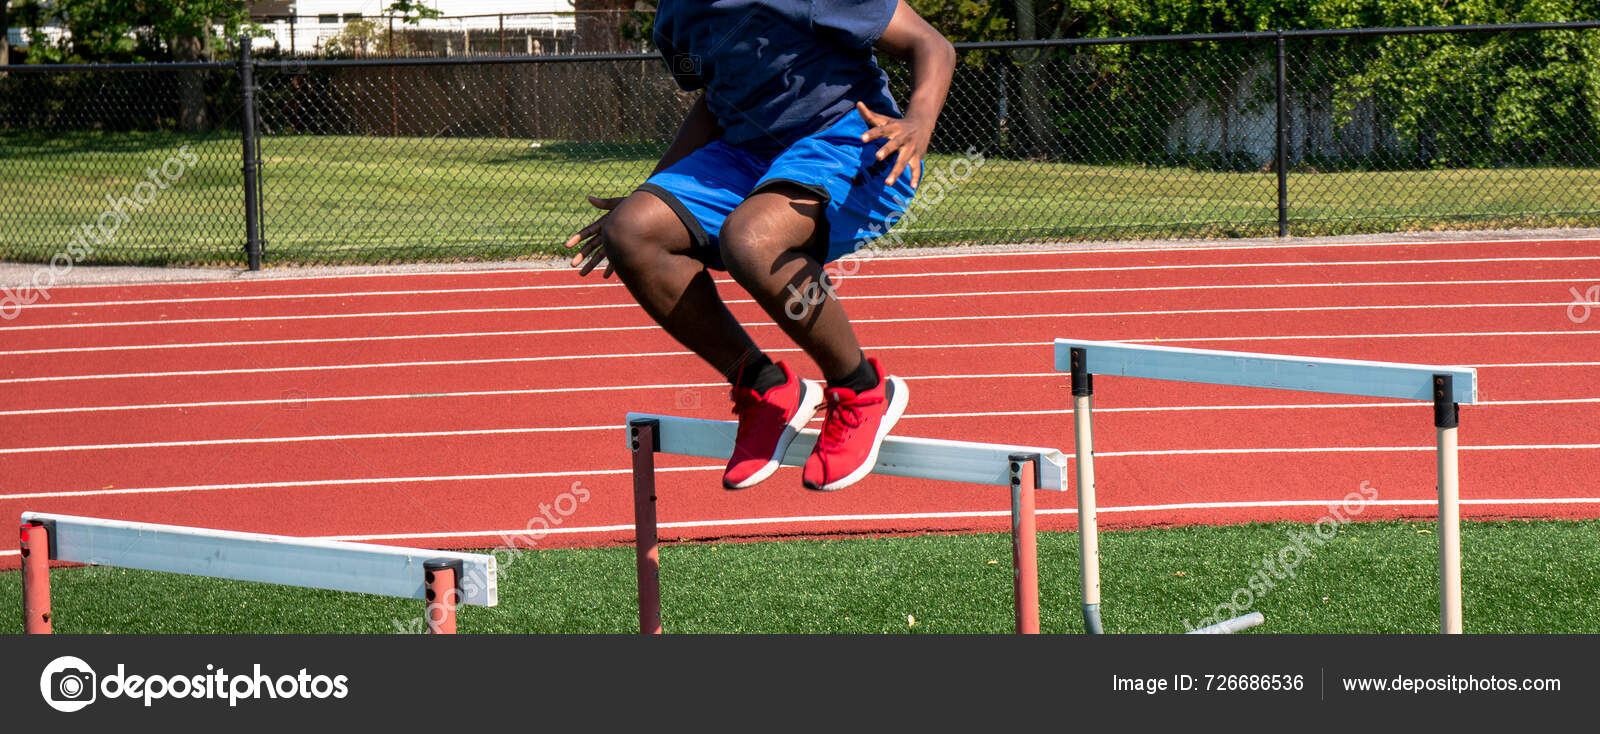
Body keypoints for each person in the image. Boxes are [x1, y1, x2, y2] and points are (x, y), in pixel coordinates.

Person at [566, 0, 955, 491]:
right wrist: (654, 190)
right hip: (747, 152)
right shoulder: (675, 16)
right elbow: (715, 99)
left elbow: (931, 43)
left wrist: (919, 122)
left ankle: (860, 389)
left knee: (750, 240)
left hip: (851, 139)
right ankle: (766, 388)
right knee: (631, 231)